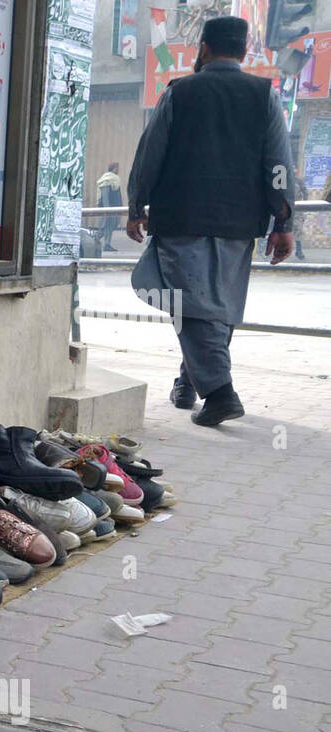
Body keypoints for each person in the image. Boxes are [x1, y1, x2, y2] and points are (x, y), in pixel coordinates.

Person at [127, 15, 294, 427]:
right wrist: (283, 219)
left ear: (203, 48)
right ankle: (189, 383)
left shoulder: (179, 92)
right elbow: (278, 163)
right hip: (240, 224)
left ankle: (220, 394)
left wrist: (136, 204)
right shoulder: (263, 94)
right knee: (214, 305)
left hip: (182, 217)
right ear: (243, 50)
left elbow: (151, 154)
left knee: (189, 304)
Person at [96, 162, 123, 252]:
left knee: (112, 224)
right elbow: (105, 195)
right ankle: (95, 239)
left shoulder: (115, 179)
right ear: (114, 168)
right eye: (117, 168)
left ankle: (106, 244)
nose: (118, 170)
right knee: (105, 225)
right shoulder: (107, 179)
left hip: (114, 207)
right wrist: (107, 209)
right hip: (108, 208)